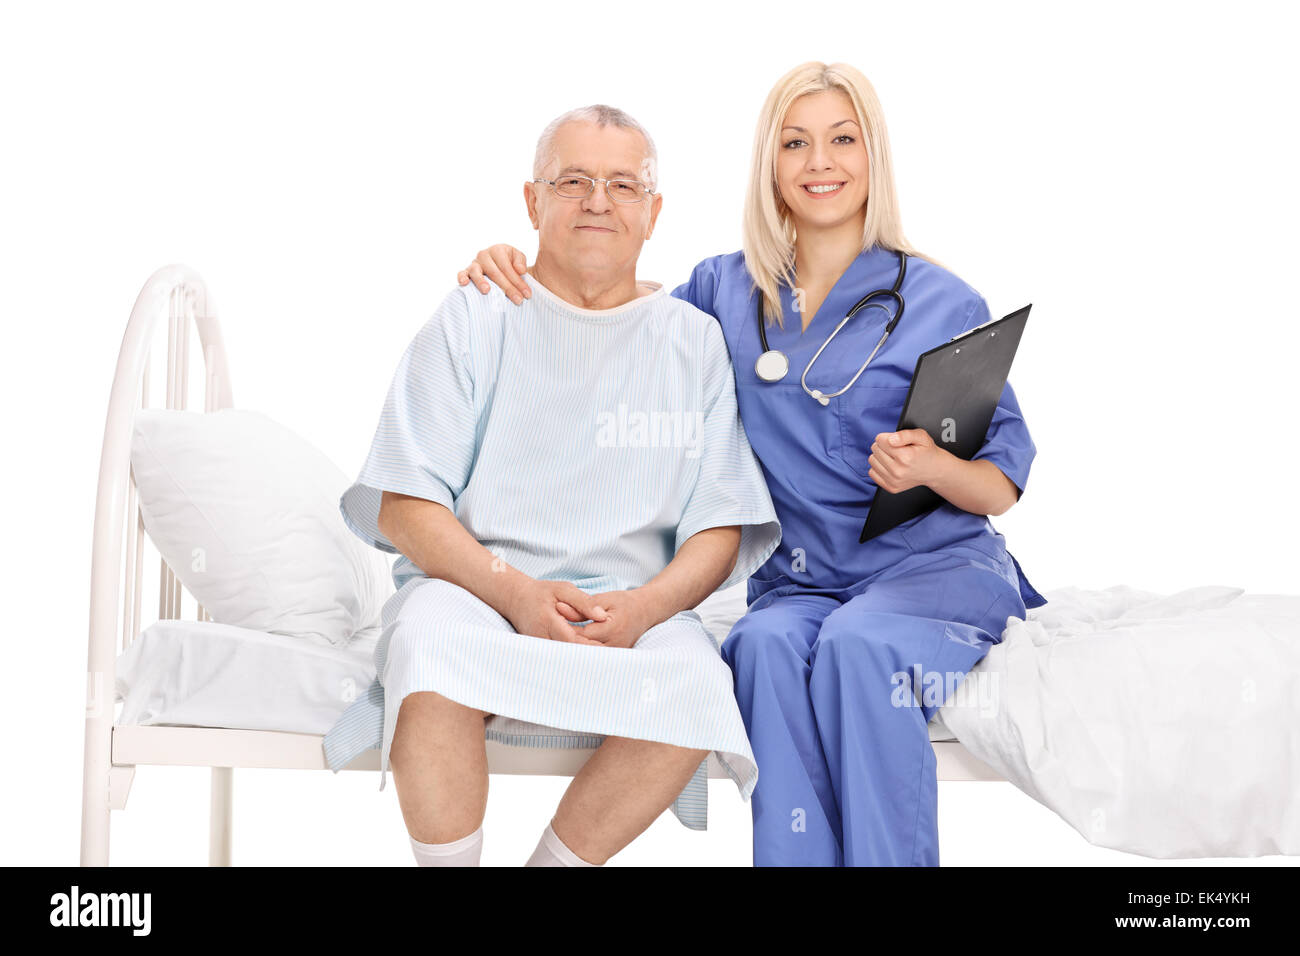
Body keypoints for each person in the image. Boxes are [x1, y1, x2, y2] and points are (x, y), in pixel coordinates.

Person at [456, 63, 1048, 867]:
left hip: (930, 572)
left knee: (858, 651)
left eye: (843, 140)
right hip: (802, 583)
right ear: (771, 163)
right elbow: (615, 312)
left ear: (873, 157)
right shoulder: (722, 291)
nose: (820, 162)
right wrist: (520, 265)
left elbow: (1001, 486)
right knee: (761, 650)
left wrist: (935, 466)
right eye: (795, 142)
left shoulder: (944, 302)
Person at [323, 104, 780, 867]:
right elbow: (407, 504)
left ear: (653, 212)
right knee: (429, 652)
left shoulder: (692, 340)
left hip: (631, 603)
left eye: (622, 185)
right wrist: (516, 594)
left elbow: (719, 525)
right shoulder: (477, 315)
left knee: (696, 687)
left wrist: (644, 609)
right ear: (532, 202)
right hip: (477, 587)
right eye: (573, 180)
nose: (598, 201)